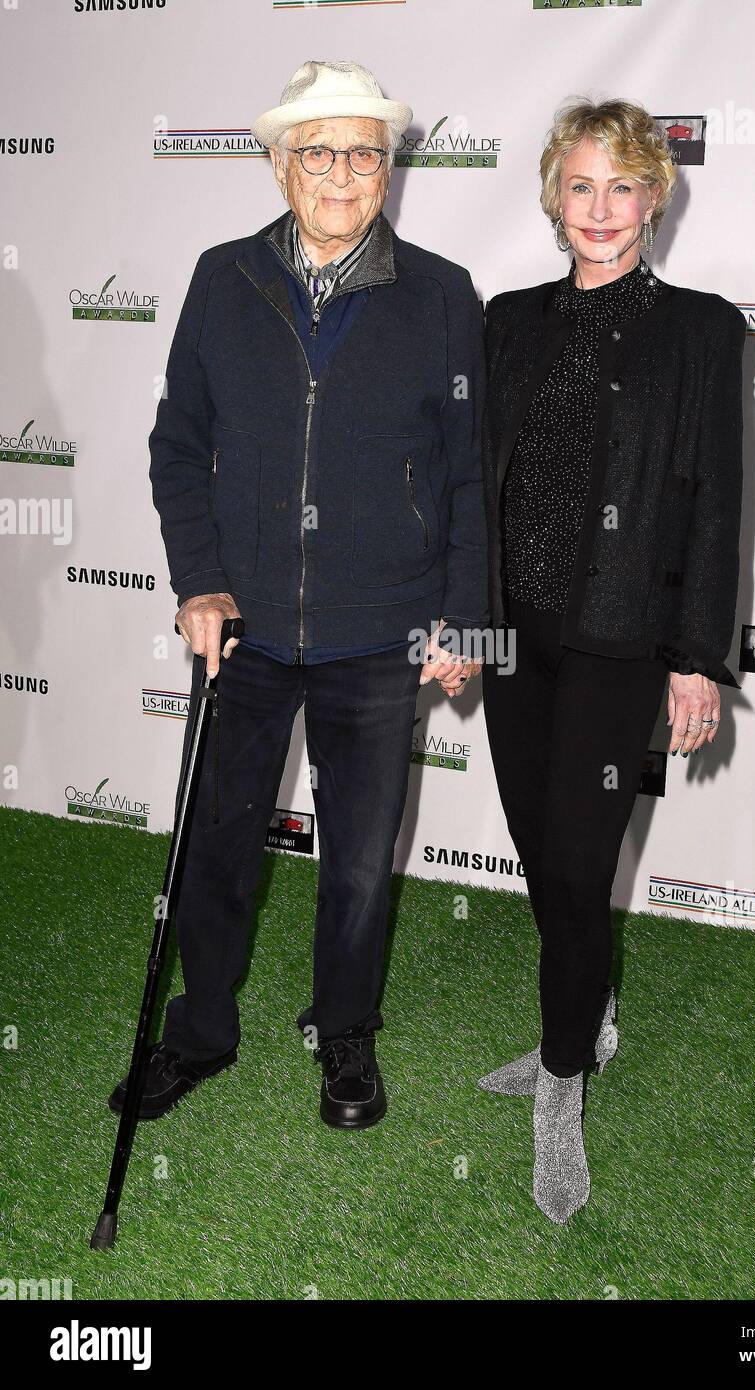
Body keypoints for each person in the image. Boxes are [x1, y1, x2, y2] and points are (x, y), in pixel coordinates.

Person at [108, 59, 486, 1131]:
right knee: (219, 839)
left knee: (360, 860)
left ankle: (345, 1032)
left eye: (363, 152)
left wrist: (463, 611)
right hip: (248, 628)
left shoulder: (443, 294)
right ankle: (200, 1031)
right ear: (280, 167)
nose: (341, 173)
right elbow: (179, 446)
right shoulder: (221, 278)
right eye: (317, 150)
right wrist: (200, 581)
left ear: (388, 170)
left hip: (383, 627)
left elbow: (466, 470)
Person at [477, 97, 747, 1221]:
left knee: (581, 872)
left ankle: (559, 1089)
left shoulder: (702, 328)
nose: (600, 209)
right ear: (554, 195)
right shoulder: (506, 320)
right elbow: (471, 487)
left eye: (622, 186)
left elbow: (716, 503)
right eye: (580, 186)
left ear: (653, 198)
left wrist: (695, 657)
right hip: (510, 634)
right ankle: (586, 1019)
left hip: (619, 639)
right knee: (545, 861)